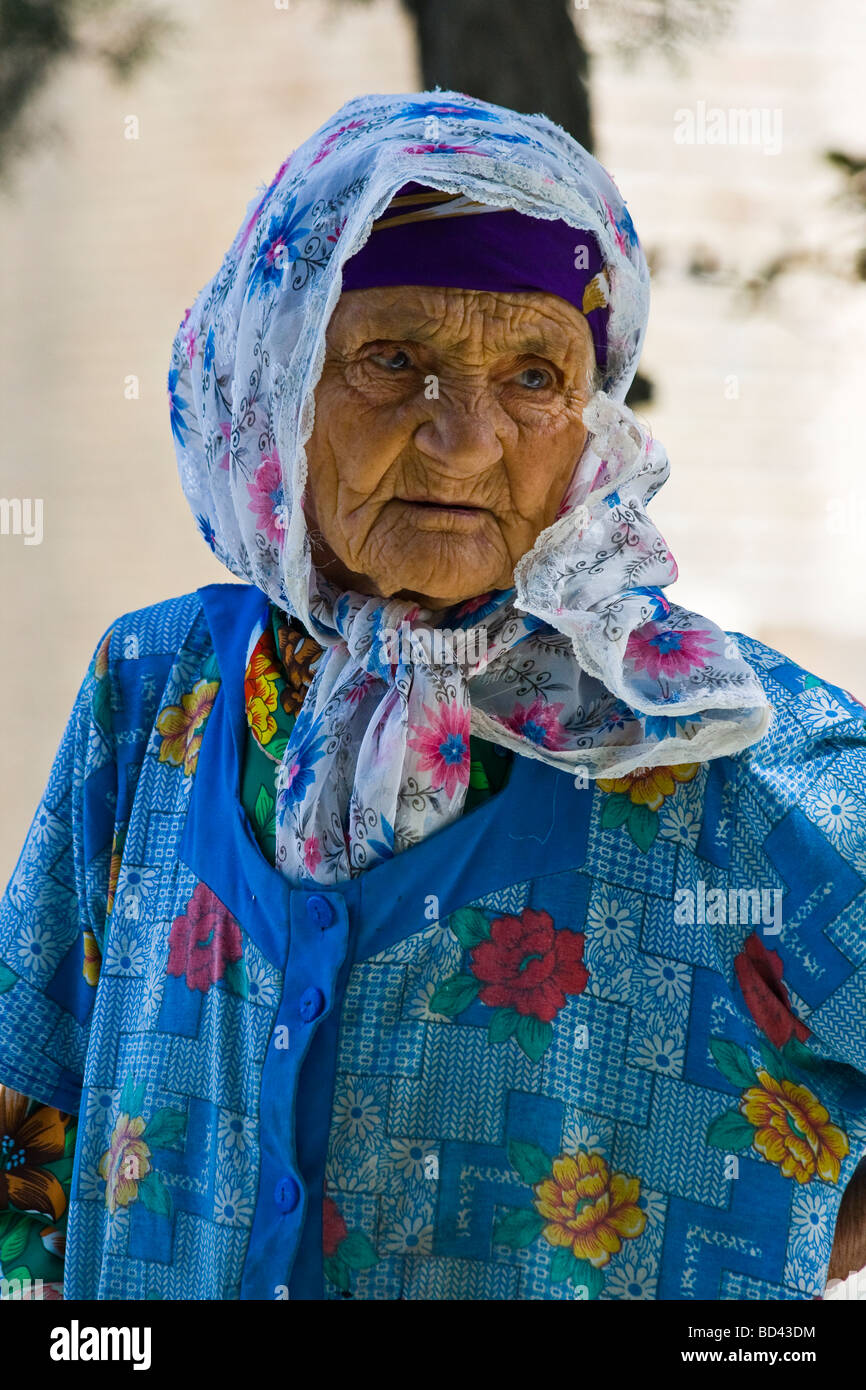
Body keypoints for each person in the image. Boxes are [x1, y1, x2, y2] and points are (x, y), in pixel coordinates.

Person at [1, 90, 866, 1302]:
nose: (463, 439)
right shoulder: (155, 694)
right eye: (392, 360)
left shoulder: (720, 744)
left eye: (531, 376)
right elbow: (25, 1109)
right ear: (271, 386)